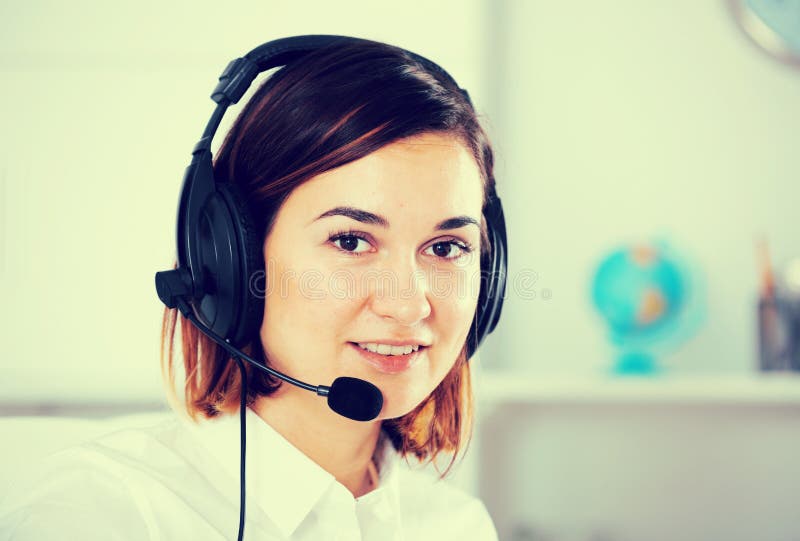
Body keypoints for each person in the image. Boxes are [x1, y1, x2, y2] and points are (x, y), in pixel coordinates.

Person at [0, 36, 503, 540]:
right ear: (230, 261)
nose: (408, 304)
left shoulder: (457, 526)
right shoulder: (105, 513)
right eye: (351, 241)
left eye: (446, 248)